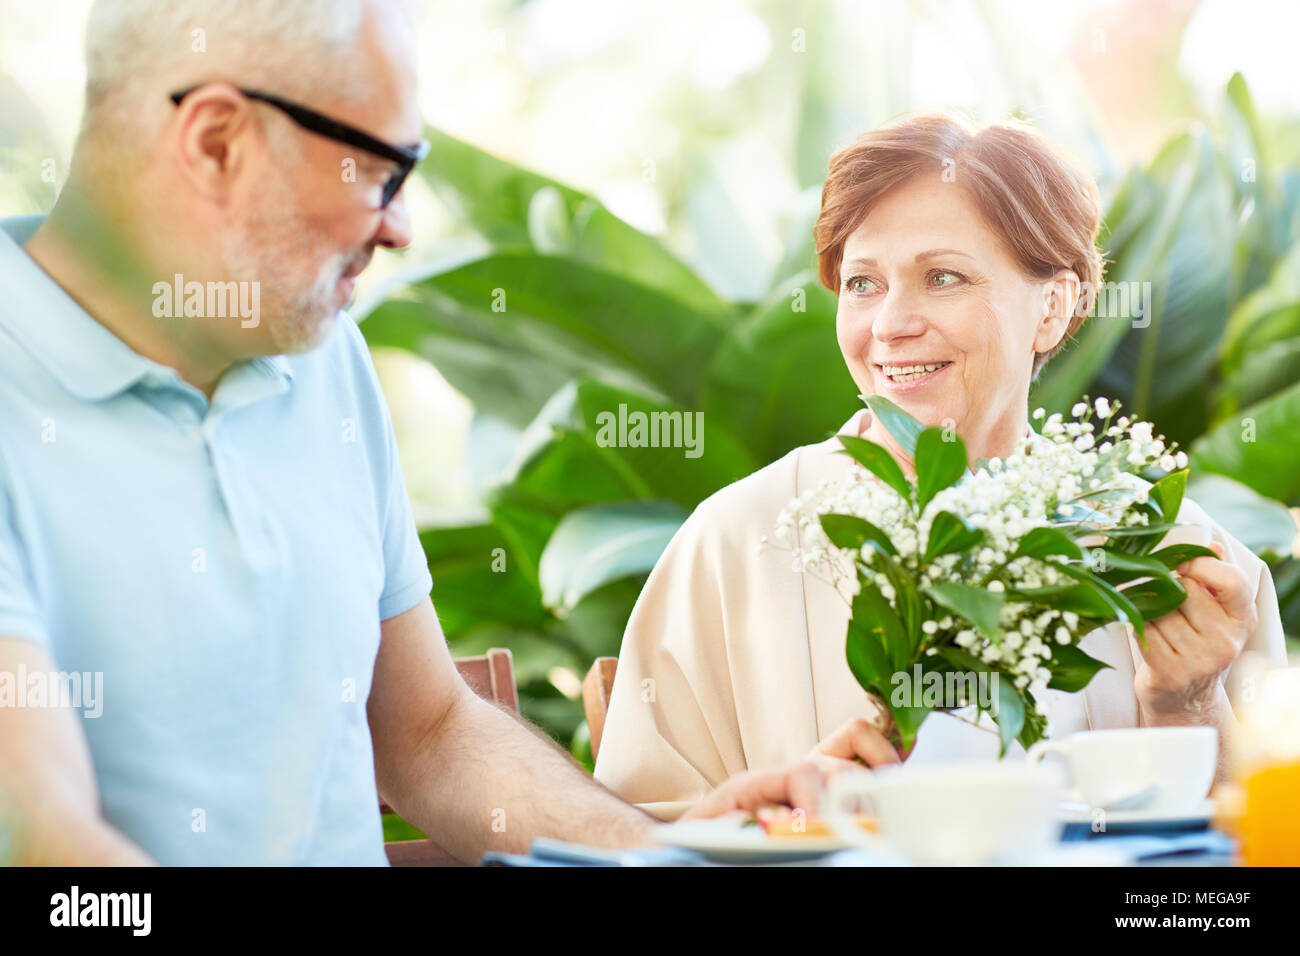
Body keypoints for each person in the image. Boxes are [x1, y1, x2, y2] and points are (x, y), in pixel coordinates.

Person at [0, 0, 862, 866]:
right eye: (379, 174)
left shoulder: (322, 359)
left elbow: (431, 734)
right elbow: (43, 839)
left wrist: (666, 853)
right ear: (218, 142)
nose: (403, 229)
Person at [593, 113, 1288, 820]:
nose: (890, 324)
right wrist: (784, 819)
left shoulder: (1176, 558)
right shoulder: (732, 546)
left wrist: (1190, 702)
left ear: (1053, 307)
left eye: (943, 277)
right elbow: (623, 843)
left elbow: (1267, 841)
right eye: (863, 283)